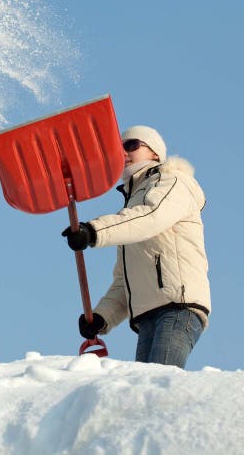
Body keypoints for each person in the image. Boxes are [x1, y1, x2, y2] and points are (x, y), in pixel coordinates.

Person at [61, 125, 210, 368]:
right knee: (145, 388)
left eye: (131, 145)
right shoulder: (131, 209)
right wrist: (101, 317)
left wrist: (93, 231)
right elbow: (124, 280)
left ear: (154, 153)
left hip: (177, 307)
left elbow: (152, 216)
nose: (123, 152)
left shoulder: (173, 181)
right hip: (146, 316)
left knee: (157, 386)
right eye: (118, 148)